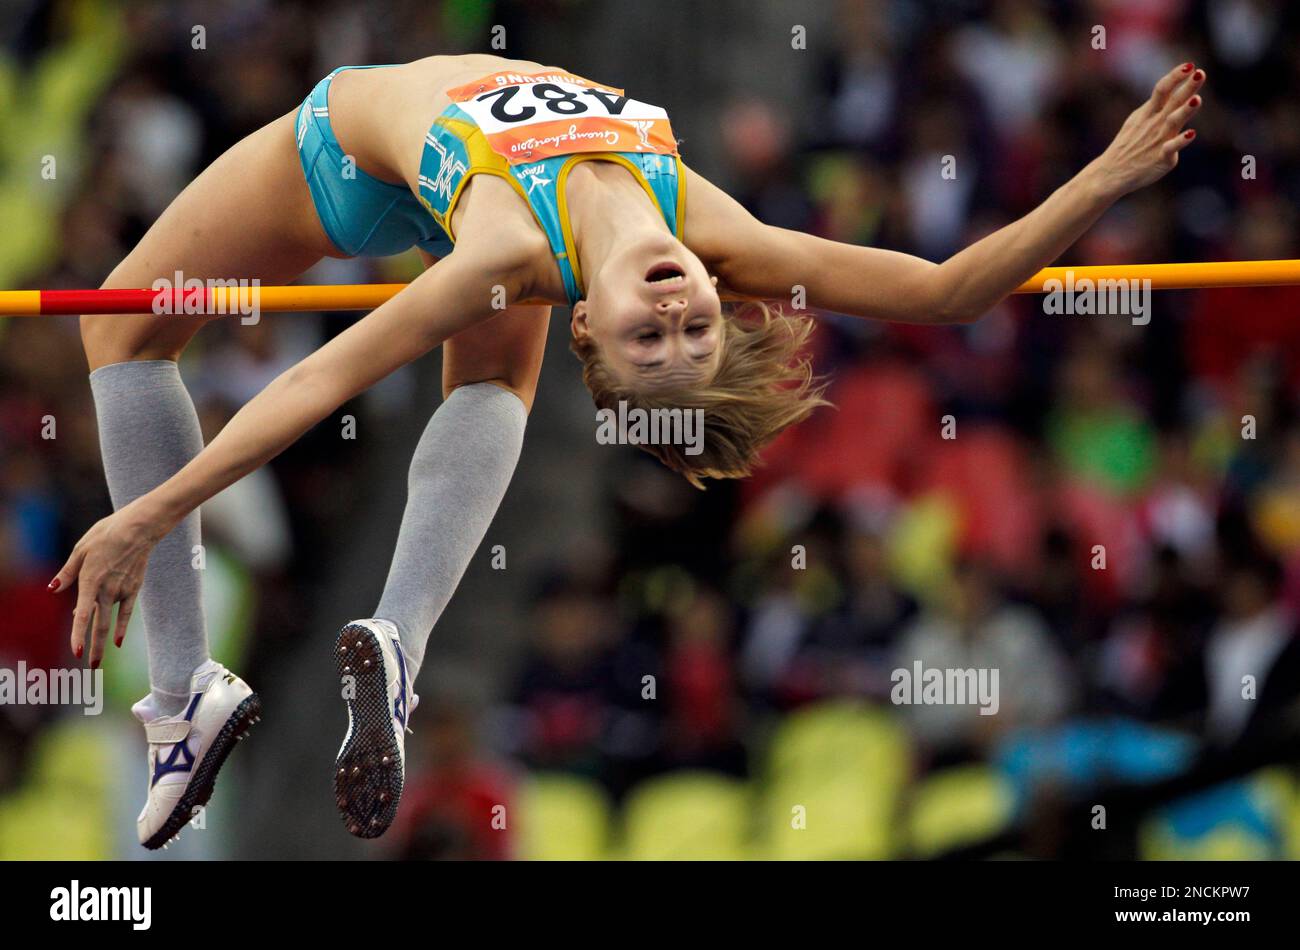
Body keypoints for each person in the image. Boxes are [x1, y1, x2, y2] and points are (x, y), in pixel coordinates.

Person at [54, 53, 1206, 847]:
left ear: (590, 329)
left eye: (650, 336)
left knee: (120, 323)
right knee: (494, 366)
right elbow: (951, 291)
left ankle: (182, 690)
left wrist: (148, 512)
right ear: (716, 295)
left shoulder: (507, 249)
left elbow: (317, 380)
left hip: (349, 157)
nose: (672, 309)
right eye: (692, 326)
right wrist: (1104, 175)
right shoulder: (716, 231)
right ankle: (393, 643)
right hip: (466, 206)